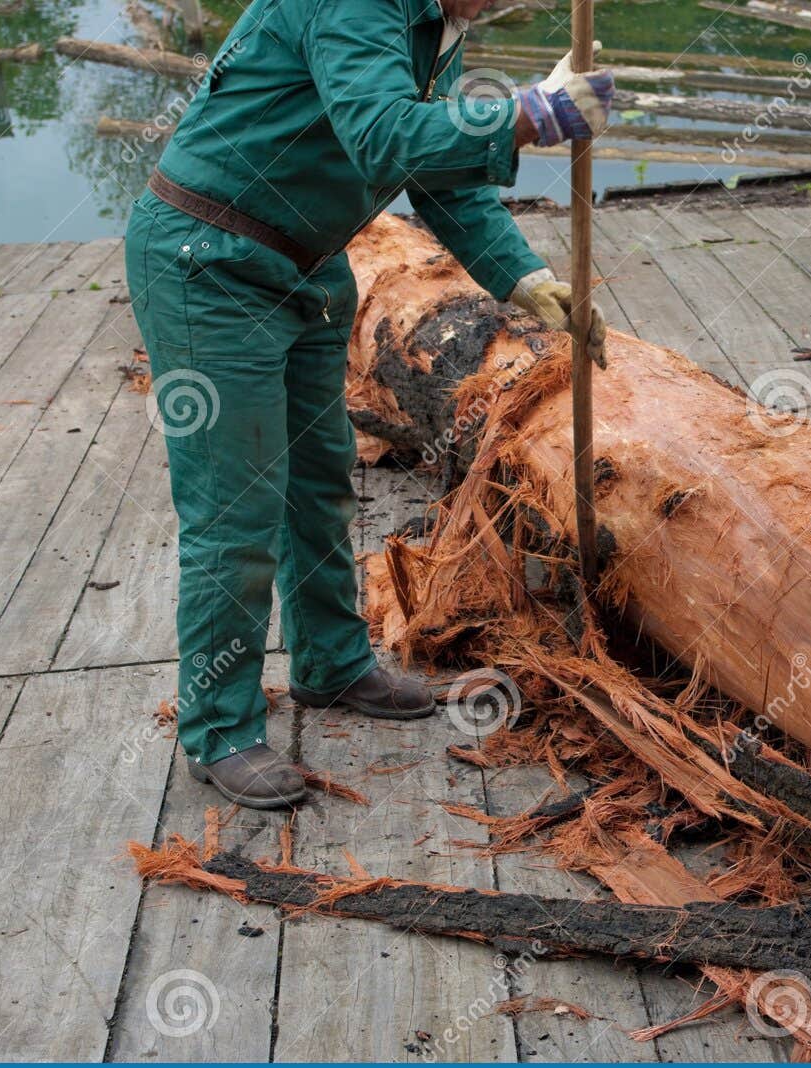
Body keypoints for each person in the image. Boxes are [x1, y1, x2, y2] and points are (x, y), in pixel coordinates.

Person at [124, 0, 613, 809]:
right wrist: (536, 112)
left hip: (305, 266)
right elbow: (384, 134)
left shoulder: (438, 21)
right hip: (206, 261)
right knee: (236, 510)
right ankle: (220, 727)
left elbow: (438, 173)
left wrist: (523, 279)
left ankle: (330, 661)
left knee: (320, 482)